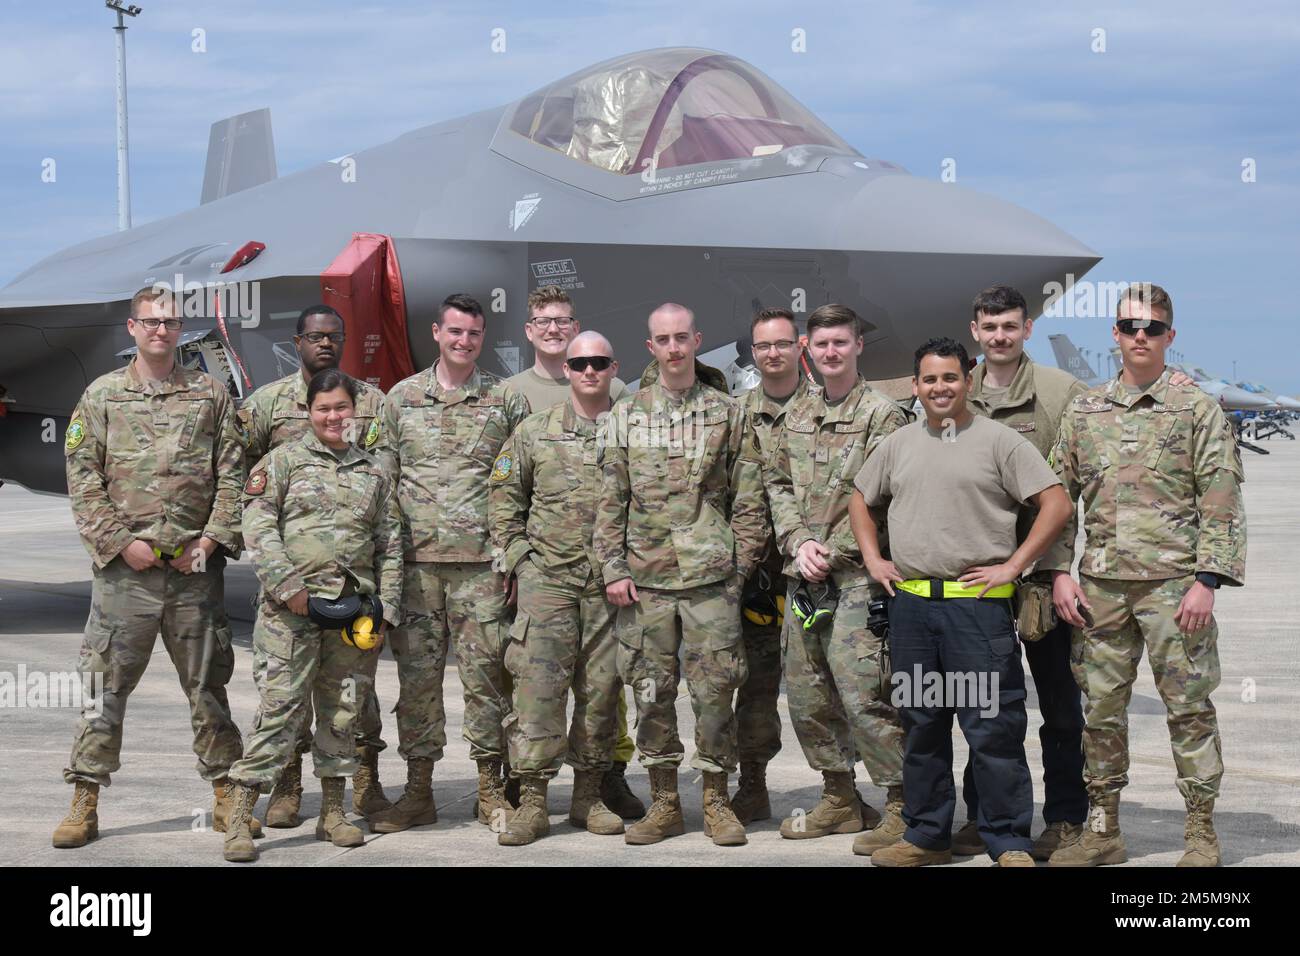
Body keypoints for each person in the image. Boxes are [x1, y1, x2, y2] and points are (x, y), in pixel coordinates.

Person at [850, 337, 1071, 867]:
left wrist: (1013, 567)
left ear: (967, 382)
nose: (940, 387)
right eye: (929, 379)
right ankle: (926, 835)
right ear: (916, 386)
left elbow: (1056, 503)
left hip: (977, 610)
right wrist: (874, 560)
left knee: (992, 728)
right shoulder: (898, 444)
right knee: (921, 726)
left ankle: (1007, 839)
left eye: (950, 377)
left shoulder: (1000, 442)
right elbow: (859, 497)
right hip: (914, 610)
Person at [1045, 284, 1245, 868]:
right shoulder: (1085, 411)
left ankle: (1200, 832)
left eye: (1153, 328)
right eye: (1130, 325)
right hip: (1100, 591)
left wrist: (1208, 579)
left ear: (1169, 338)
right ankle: (1103, 829)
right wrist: (1058, 570)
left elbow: (1221, 496)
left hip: (1175, 591)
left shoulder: (1196, 410)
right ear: (1115, 333)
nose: (1140, 336)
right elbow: (1058, 498)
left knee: (1188, 709)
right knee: (1101, 712)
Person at [54, 285, 247, 849]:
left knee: (209, 687)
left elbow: (232, 475)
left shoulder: (211, 395)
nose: (161, 330)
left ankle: (225, 795)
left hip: (193, 573)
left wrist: (211, 541)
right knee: (103, 686)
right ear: (132, 328)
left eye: (170, 322)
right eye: (151, 321)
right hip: (125, 576)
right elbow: (82, 477)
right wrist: (119, 542)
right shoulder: (102, 396)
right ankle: (84, 798)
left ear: (179, 329)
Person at [593, 303, 767, 846]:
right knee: (651, 693)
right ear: (651, 347)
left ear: (697, 340)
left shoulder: (727, 412)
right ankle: (665, 801)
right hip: (644, 585)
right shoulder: (624, 415)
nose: (673, 348)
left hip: (710, 582)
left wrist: (737, 570)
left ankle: (715, 799)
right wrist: (613, 569)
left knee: (716, 693)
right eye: (662, 339)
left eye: (681, 338)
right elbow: (609, 501)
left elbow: (750, 497)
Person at [221, 369, 403, 862]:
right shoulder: (281, 463)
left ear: (353, 412)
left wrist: (386, 608)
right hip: (292, 614)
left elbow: (390, 545)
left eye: (341, 408)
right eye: (323, 409)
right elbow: (258, 527)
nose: (333, 417)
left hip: (351, 619)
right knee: (279, 713)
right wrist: (289, 587)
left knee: (342, 713)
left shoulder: (373, 472)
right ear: (308, 412)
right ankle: (241, 816)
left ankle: (333, 814)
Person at [371, 293, 530, 832]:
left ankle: (490, 790)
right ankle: (419, 791)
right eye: (455, 332)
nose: (464, 342)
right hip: (416, 569)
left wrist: (511, 558)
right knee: (417, 684)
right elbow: (383, 483)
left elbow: (518, 486)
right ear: (437, 332)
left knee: (487, 682)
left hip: (481, 570)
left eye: (474, 334)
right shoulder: (400, 399)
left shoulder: (503, 400)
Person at [764, 304, 908, 851]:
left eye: (840, 343)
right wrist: (798, 543)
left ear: (857, 346)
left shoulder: (883, 415)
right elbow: (776, 483)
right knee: (807, 696)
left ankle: (899, 803)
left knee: (865, 696)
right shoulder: (795, 413)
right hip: (804, 578)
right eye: (821, 344)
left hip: (856, 582)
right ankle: (841, 798)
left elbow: (887, 495)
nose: (830, 352)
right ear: (809, 348)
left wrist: (834, 549)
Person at [503, 286, 642, 820]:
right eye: (579, 362)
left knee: (602, 694)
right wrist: (518, 561)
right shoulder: (532, 430)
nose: (587, 369)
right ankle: (533, 799)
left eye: (597, 362)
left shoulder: (632, 427)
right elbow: (504, 501)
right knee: (537, 692)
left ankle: (589, 796)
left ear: (612, 368)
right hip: (550, 582)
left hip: (608, 584)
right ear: (567, 370)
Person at [730, 307, 813, 823]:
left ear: (798, 346)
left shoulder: (825, 407)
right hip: (756, 577)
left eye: (782, 344)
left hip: (815, 574)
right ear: (753, 352)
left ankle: (843, 788)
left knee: (824, 687)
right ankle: (752, 783)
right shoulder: (735, 413)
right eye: (762, 347)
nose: (772, 354)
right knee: (756, 687)